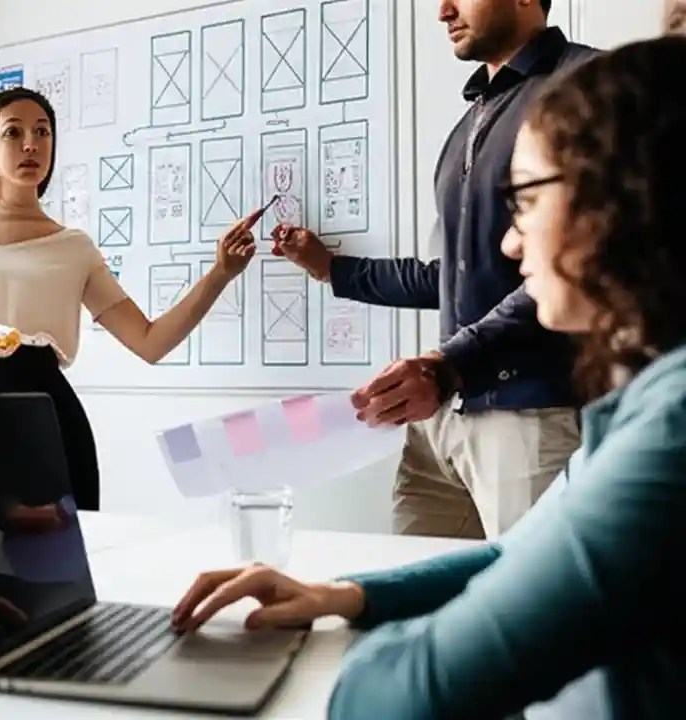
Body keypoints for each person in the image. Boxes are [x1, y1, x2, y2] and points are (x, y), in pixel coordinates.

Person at [172, 36, 686, 718]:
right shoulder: (642, 407)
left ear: (622, 200)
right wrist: (345, 596)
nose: (510, 242)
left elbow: (407, 692)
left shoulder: (671, 431)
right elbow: (517, 557)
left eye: (526, 201)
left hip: (512, 404)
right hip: (457, 412)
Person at [271, 0, 597, 540]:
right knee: (410, 579)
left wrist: (449, 364)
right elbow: (452, 276)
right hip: (443, 416)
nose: (443, 10)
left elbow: (580, 264)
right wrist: (332, 269)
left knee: (534, 590)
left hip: (531, 411)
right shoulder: (471, 121)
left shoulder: (589, 86)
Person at [0, 86, 257, 511]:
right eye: (13, 132)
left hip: (47, 412)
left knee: (58, 550)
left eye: (42, 132)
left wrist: (220, 274)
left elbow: (150, 341)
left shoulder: (74, 247)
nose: (31, 144)